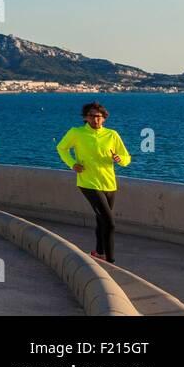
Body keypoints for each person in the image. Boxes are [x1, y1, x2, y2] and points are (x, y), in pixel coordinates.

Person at [56, 102, 131, 264]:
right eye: (91, 115)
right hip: (88, 182)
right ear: (85, 117)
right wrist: (72, 163)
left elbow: (126, 158)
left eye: (98, 116)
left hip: (109, 183)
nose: (95, 119)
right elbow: (61, 148)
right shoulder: (76, 132)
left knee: (101, 221)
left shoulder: (112, 135)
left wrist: (119, 159)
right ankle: (111, 262)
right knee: (110, 223)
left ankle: (98, 252)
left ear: (104, 118)